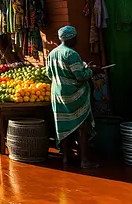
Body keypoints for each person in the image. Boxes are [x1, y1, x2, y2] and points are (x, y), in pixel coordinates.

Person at [47, 25, 99, 169]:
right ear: (73, 38)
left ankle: (65, 158)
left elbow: (49, 74)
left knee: (63, 125)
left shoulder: (52, 53)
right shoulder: (71, 54)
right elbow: (80, 76)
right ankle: (84, 160)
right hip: (73, 95)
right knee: (81, 126)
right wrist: (91, 71)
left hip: (57, 94)